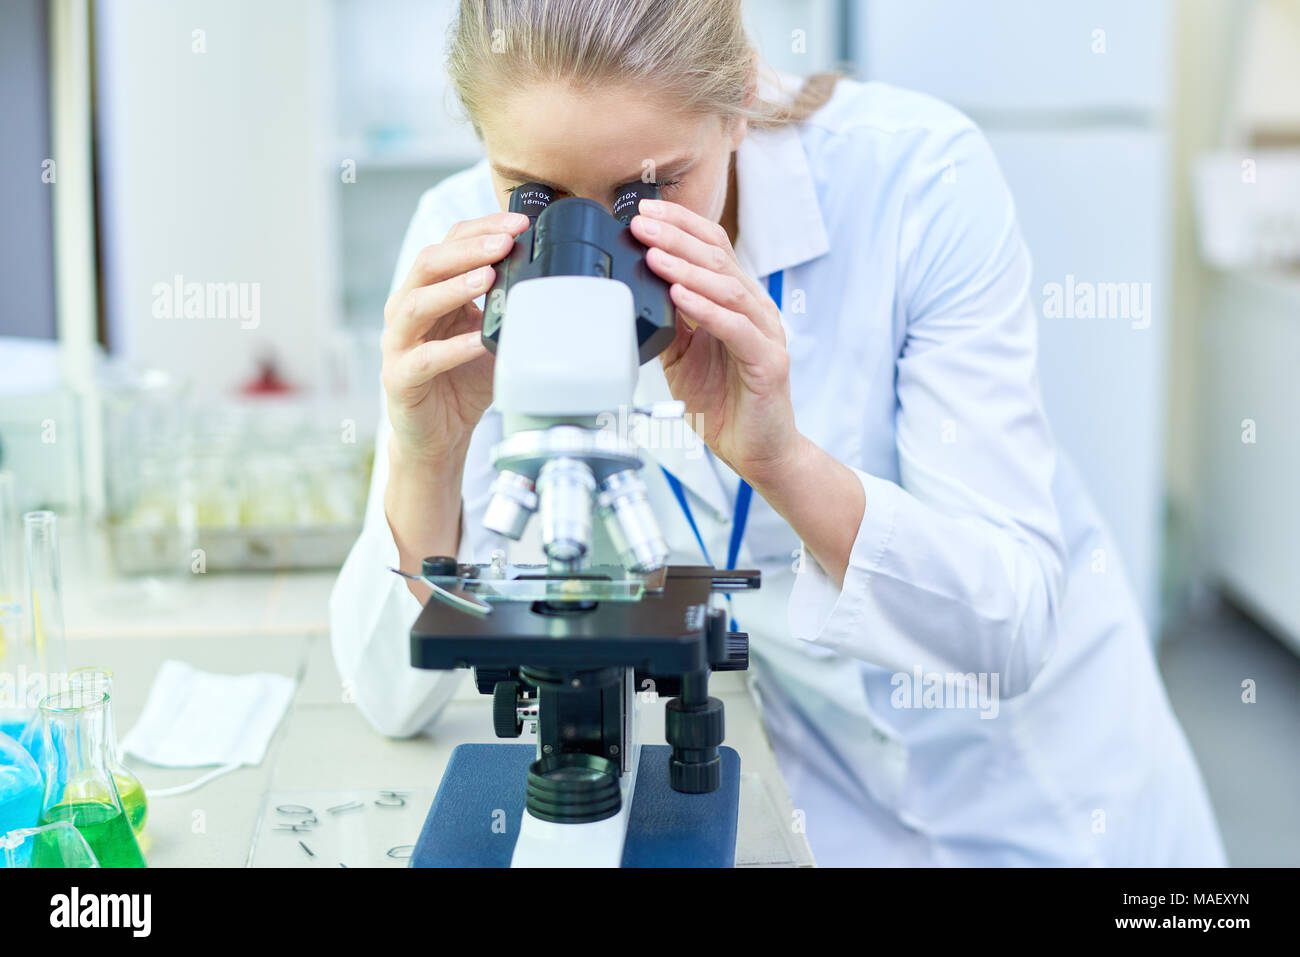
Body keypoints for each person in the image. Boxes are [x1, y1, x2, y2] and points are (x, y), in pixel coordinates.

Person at [330, 0, 1226, 866]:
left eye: (646, 187)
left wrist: (783, 461)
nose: (594, 241)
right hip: (817, 791)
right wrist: (427, 450)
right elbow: (392, 695)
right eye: (535, 192)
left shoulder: (916, 180)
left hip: (1050, 796)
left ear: (739, 105)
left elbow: (1011, 625)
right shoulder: (461, 243)